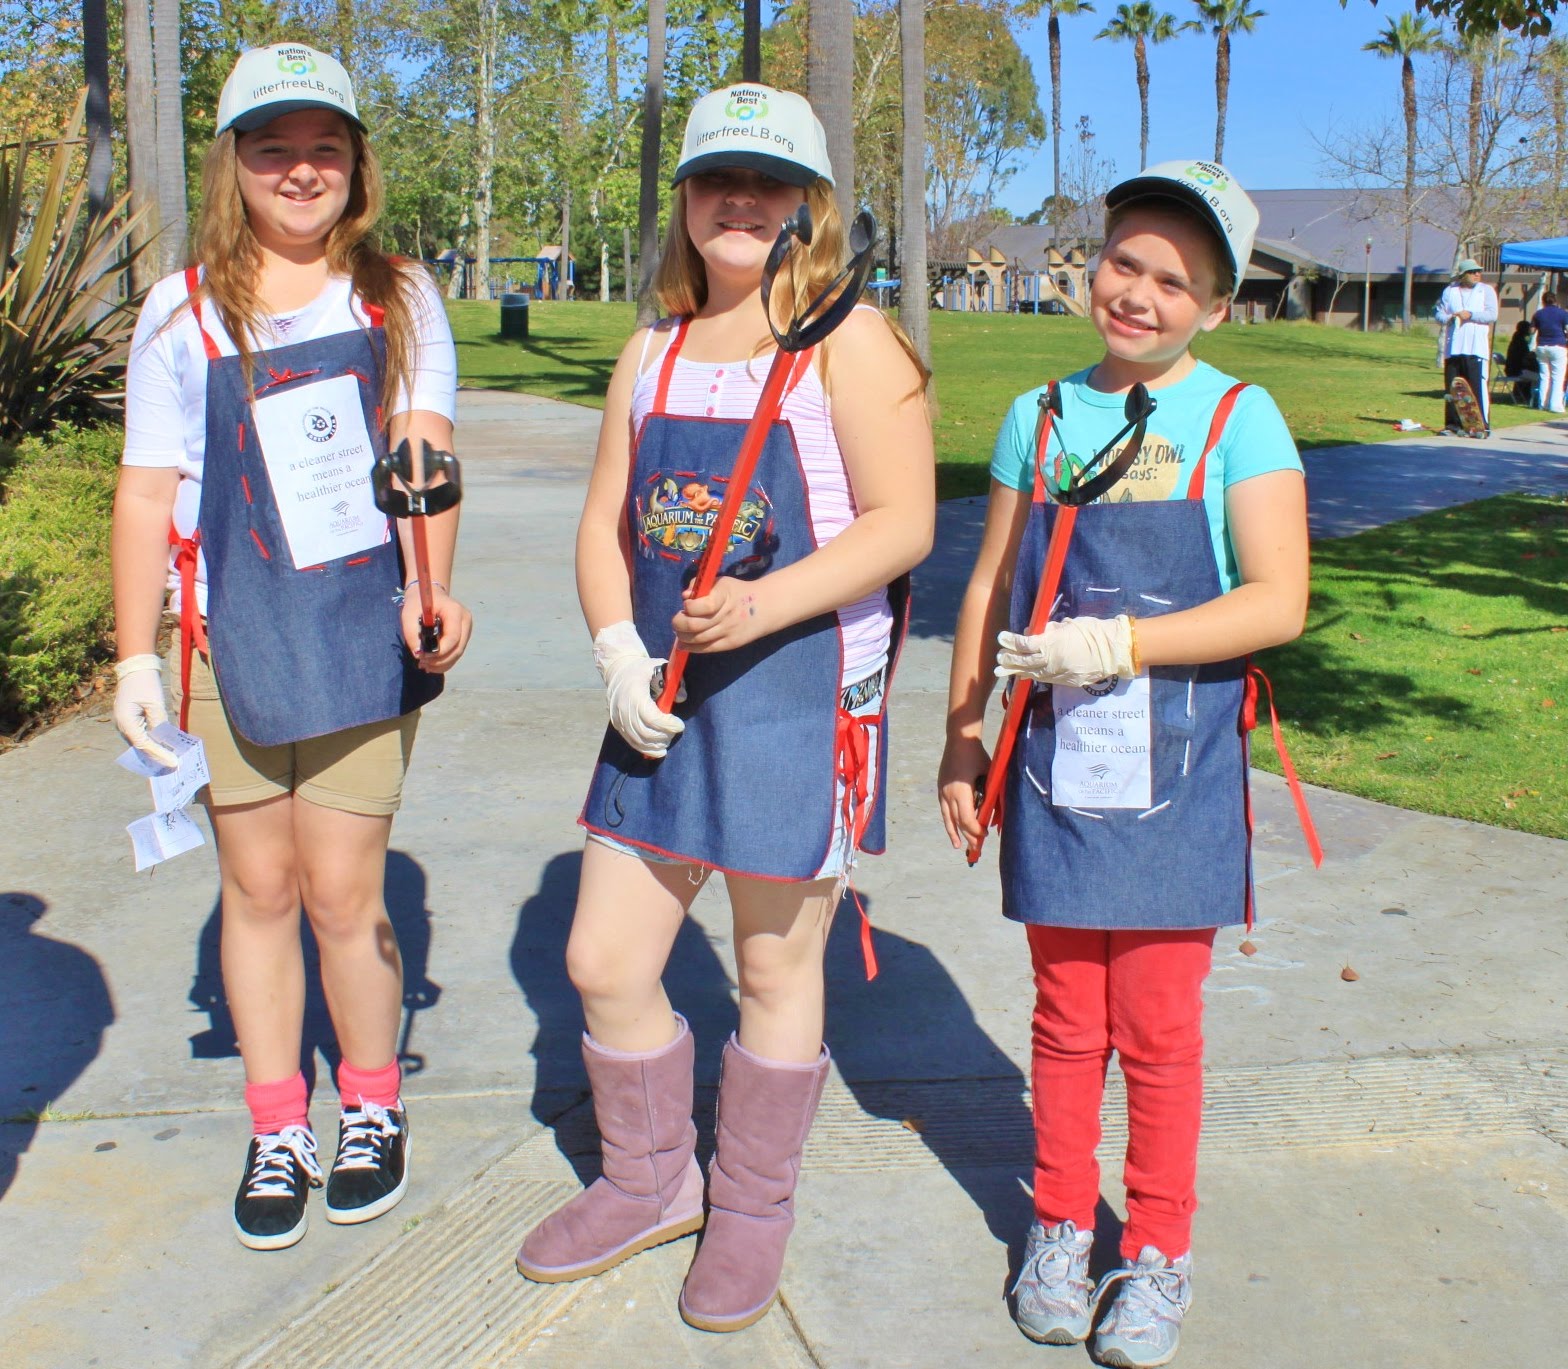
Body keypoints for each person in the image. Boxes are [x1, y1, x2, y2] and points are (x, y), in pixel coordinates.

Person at [513, 82, 933, 1332]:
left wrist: (764, 605)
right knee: (601, 957)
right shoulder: (649, 347)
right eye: (714, 180)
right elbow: (604, 522)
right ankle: (650, 1180)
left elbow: (903, 523)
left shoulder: (849, 342)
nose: (737, 202)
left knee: (768, 960)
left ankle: (750, 1204)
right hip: (662, 698)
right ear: (685, 200)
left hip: (798, 697)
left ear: (808, 203)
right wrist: (610, 650)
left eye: (766, 182)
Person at [938, 161, 1309, 1367]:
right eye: (1123, 262)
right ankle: (1057, 1224)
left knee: (1155, 1027)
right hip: (1054, 771)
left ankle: (1153, 1251)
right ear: (1090, 262)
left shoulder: (1235, 416)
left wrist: (1127, 639)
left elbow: (1277, 600)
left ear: (1212, 304)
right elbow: (989, 581)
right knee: (1061, 1018)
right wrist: (962, 732)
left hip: (1177, 772)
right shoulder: (1037, 416)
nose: (1137, 294)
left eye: (1173, 280)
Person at [111, 43, 471, 1251]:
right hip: (228, 639)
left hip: (361, 635)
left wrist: (438, 589)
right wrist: (133, 656)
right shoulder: (181, 309)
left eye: (324, 146)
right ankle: (278, 1124)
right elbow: (145, 485)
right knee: (256, 887)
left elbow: (424, 457)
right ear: (236, 164)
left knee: (340, 888)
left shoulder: (398, 297)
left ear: (355, 162)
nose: (301, 169)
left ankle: (371, 1103)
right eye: (274, 147)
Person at [1435, 257, 1498, 436]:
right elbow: (1439, 313)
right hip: (1453, 347)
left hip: (1476, 347)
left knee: (1476, 388)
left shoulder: (1486, 291)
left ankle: (1481, 425)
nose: (1477, 274)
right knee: (1453, 388)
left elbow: (1492, 315)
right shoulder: (1449, 291)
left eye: (1478, 271)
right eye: (1472, 272)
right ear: (1463, 275)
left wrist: (1470, 314)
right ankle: (1453, 425)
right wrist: (1450, 317)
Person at [1530, 291, 1568, 412]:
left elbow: (1531, 331)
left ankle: (1542, 404)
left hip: (1541, 346)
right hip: (1558, 346)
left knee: (1544, 376)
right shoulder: (1562, 313)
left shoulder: (1538, 314)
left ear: (1543, 301)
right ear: (1556, 301)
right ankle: (1555, 405)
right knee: (1557, 376)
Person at [1504, 317, 1539, 405]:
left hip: (1512, 370)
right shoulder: (1520, 343)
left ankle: (1520, 392)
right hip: (1517, 371)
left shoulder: (1516, 340)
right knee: (1539, 374)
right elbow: (1524, 359)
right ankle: (1529, 395)